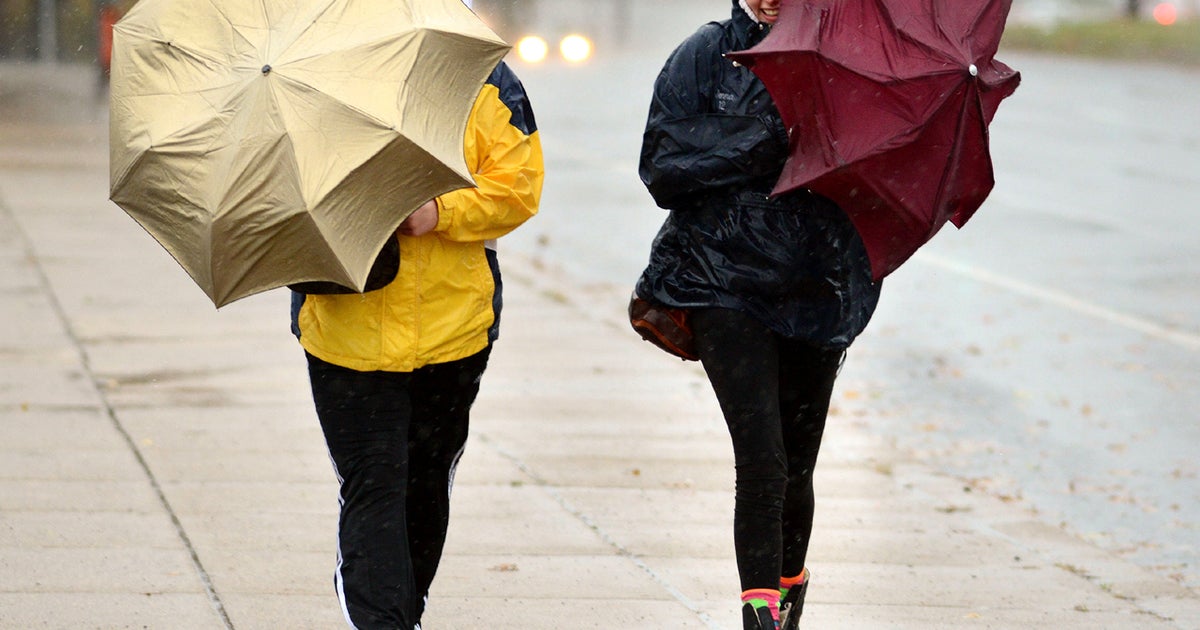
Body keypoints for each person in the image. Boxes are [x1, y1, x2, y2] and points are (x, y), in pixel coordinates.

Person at [633, 1, 881, 628]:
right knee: (763, 457)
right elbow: (662, 168)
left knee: (798, 464)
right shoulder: (705, 54)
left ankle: (788, 599)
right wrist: (766, 141)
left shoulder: (848, 59)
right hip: (721, 284)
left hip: (818, 288)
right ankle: (759, 615)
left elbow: (876, 174)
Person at [290, 49, 544, 630]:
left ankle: (406, 612)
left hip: (452, 333)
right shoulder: (323, 73)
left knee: (425, 488)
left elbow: (519, 188)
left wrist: (441, 211)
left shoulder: (489, 83)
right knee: (375, 484)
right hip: (345, 330)